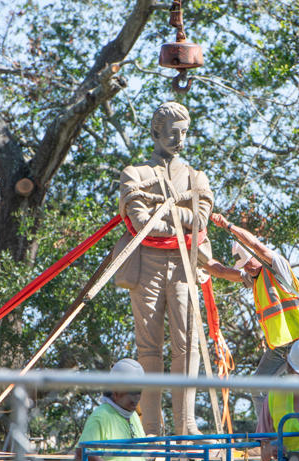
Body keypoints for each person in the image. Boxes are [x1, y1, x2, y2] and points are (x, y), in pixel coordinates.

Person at [115, 102, 214, 436]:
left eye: (184, 133)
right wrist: (181, 216)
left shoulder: (196, 176)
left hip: (185, 264)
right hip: (147, 264)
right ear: (156, 132)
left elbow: (201, 221)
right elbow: (141, 222)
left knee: (188, 343)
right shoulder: (135, 173)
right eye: (173, 133)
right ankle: (152, 426)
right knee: (149, 346)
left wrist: (167, 211)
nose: (180, 140)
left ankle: (187, 424)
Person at [204, 212, 299, 419]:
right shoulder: (253, 278)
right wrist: (195, 253)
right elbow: (222, 271)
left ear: (257, 257)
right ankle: (267, 432)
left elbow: (256, 245)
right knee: (258, 388)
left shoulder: (277, 266)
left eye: (249, 263)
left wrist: (228, 226)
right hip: (281, 346)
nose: (247, 268)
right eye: (244, 266)